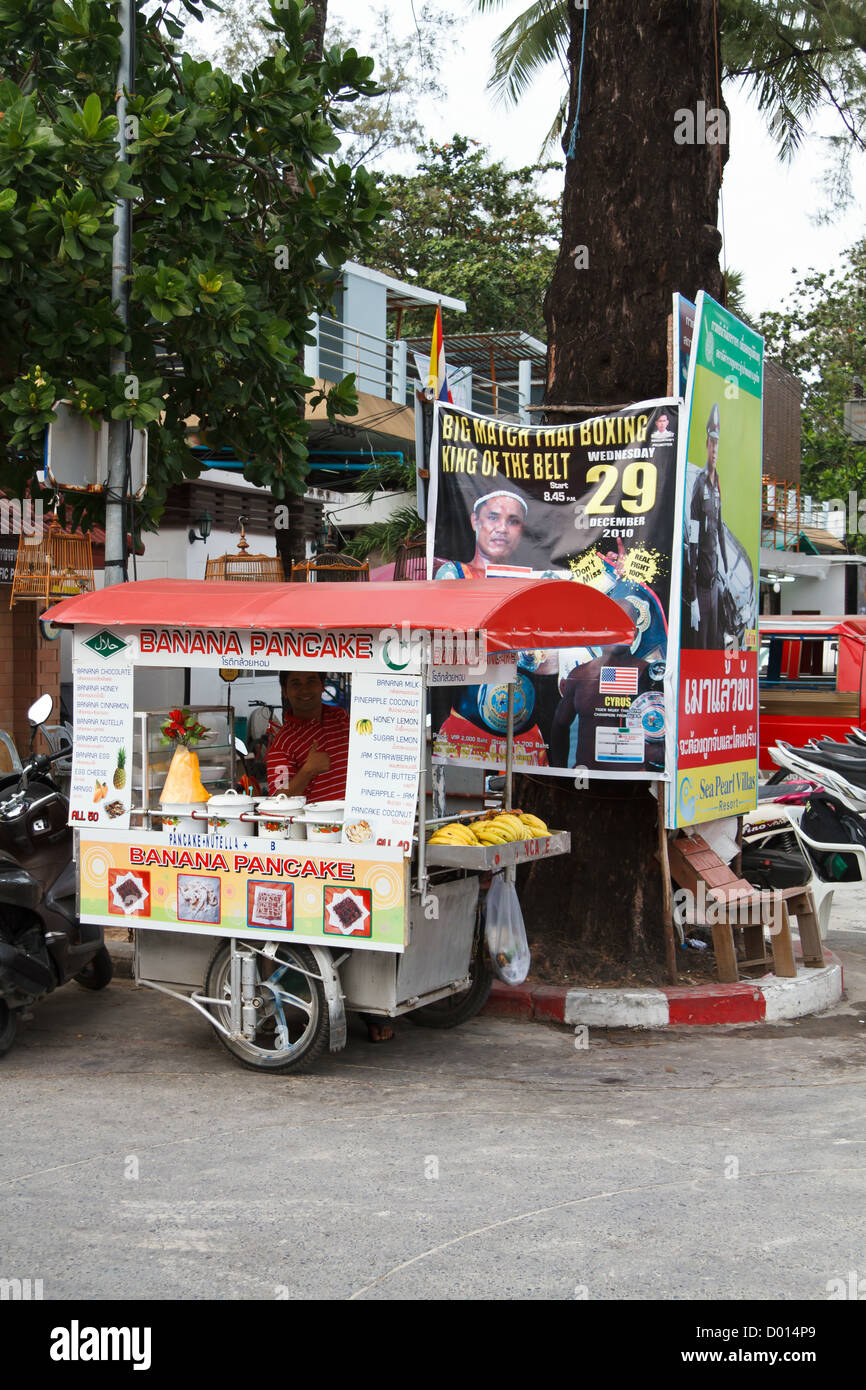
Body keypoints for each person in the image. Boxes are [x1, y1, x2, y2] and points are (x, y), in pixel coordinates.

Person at [267, 672, 392, 1042]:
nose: (304, 690)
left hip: (361, 834)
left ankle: (372, 1007)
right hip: (316, 849)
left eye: (311, 681)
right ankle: (322, 1009)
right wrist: (307, 770)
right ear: (284, 691)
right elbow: (277, 805)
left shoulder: (342, 718)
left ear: (322, 684)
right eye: (295, 684)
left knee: (371, 920)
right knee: (330, 926)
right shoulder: (282, 742)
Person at [684, 403, 729, 650]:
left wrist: (726, 570)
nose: (715, 449)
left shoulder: (716, 482)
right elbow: (693, 543)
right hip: (700, 586)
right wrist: (692, 596)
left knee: (715, 643)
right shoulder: (699, 484)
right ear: (707, 444)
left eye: (718, 443)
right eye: (712, 442)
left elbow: (719, 528)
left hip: (714, 584)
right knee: (700, 644)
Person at [436, 489, 528, 578]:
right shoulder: (453, 573)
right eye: (493, 518)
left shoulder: (529, 579)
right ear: (475, 521)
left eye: (513, 522)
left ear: (522, 529)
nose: (502, 529)